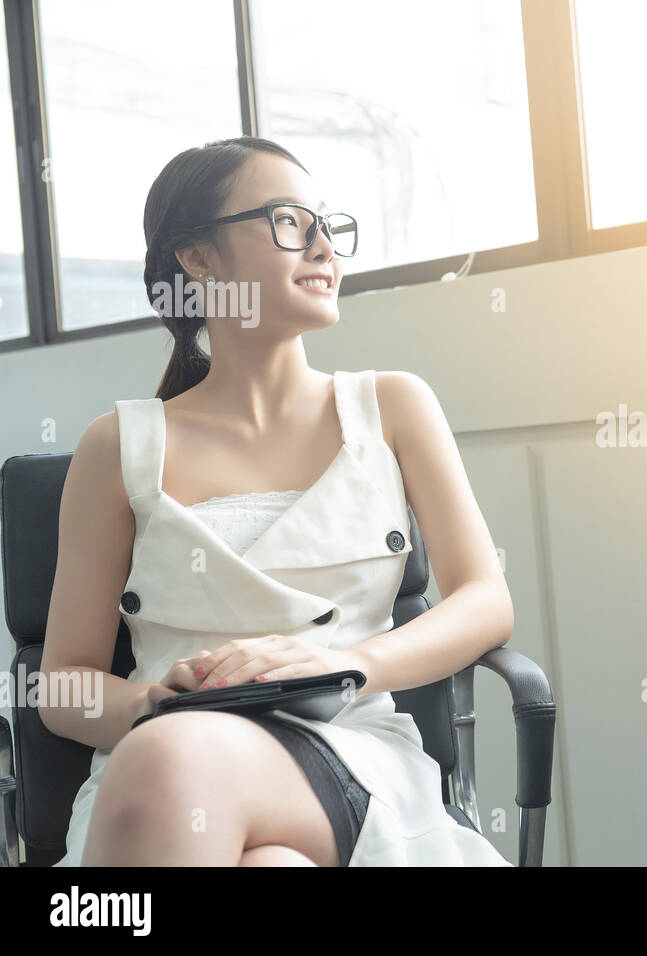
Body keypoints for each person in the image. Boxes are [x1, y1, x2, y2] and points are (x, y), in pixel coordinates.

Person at [39, 136, 515, 866]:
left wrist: (344, 668)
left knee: (172, 768)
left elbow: (486, 600)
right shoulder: (119, 447)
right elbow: (62, 686)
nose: (325, 246)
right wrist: (153, 705)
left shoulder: (392, 406)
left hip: (349, 756)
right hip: (161, 760)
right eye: (290, 222)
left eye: (329, 224)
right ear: (197, 257)